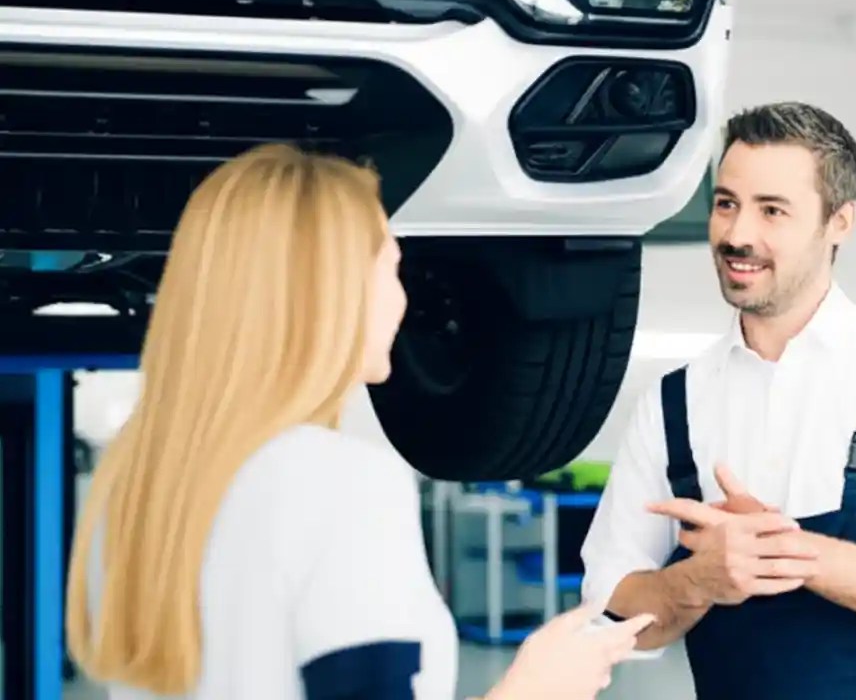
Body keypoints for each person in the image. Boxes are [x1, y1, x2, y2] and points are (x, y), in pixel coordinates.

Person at [63, 143, 653, 700]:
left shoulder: (136, 483)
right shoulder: (337, 480)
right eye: (391, 268)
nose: (403, 300)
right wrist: (535, 687)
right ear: (331, 288)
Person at [580, 102, 856, 700]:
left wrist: (791, 554)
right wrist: (698, 581)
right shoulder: (673, 402)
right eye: (727, 203)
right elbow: (611, 605)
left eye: (772, 211)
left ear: (839, 222)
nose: (737, 235)